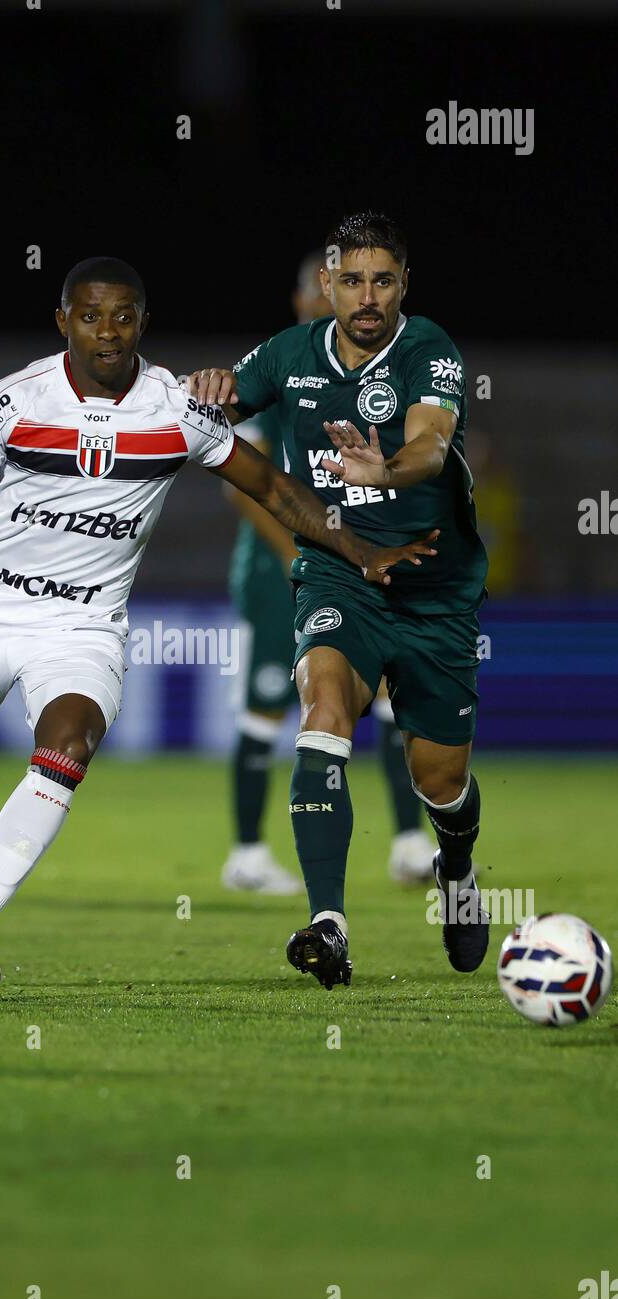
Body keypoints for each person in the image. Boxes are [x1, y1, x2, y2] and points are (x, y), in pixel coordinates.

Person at [0, 255, 435, 992]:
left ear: (142, 322)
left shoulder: (176, 410)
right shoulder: (14, 401)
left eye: (122, 317)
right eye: (89, 316)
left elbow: (271, 486)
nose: (106, 332)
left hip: (84, 628)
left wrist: (361, 550)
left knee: (68, 745)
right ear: (63, 322)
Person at [189, 213, 489, 989]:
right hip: (336, 576)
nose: (366, 296)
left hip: (433, 591)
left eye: (382, 280)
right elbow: (215, 409)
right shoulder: (290, 356)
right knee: (323, 712)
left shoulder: (428, 348)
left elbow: (428, 442)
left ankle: (456, 863)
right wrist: (213, 388)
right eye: (351, 280)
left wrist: (384, 472)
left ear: (403, 286)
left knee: (440, 782)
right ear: (328, 283)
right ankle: (330, 923)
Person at [221, 251, 435, 895]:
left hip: (357, 563)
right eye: (336, 288)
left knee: (392, 695)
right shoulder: (281, 368)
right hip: (275, 574)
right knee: (270, 706)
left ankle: (407, 842)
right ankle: (249, 854)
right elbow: (244, 481)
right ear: (308, 297)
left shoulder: (376, 374)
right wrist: (293, 554)